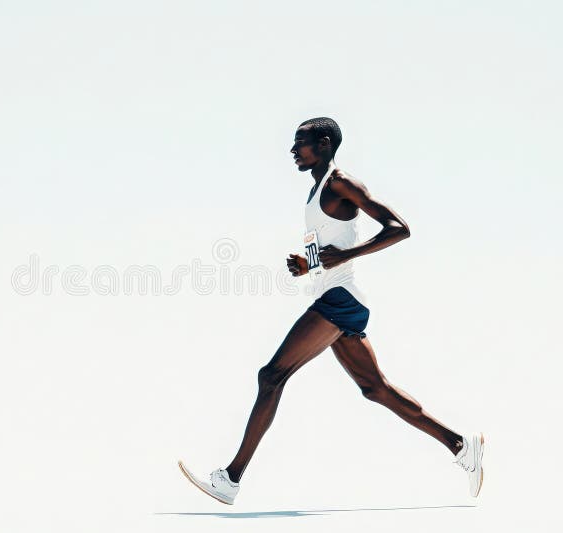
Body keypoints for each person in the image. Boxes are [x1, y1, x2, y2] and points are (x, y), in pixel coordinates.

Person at [178, 117, 484, 505]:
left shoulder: (340, 182)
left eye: (300, 143)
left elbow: (399, 228)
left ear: (323, 143)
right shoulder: (317, 192)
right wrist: (310, 264)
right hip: (338, 298)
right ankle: (461, 446)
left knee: (271, 375)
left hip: (340, 299)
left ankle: (230, 479)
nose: (292, 151)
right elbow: (333, 245)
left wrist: (346, 256)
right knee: (376, 389)